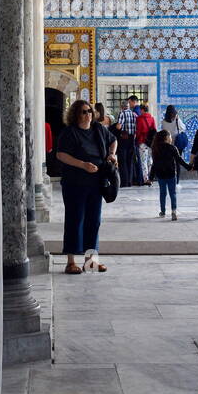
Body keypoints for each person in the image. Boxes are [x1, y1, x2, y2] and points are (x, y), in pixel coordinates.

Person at [54, 100, 117, 273]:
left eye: (89, 111)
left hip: (95, 183)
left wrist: (112, 154)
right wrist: (83, 165)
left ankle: (91, 261)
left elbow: (113, 140)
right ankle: (71, 261)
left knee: (93, 222)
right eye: (83, 111)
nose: (87, 114)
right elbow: (61, 154)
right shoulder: (70, 133)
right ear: (75, 114)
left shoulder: (98, 129)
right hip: (75, 183)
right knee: (75, 220)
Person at [149, 129, 188, 219]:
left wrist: (150, 178)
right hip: (171, 174)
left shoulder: (156, 148)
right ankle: (174, 211)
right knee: (172, 193)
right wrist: (188, 167)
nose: (171, 138)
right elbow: (179, 160)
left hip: (160, 175)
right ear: (166, 138)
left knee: (162, 193)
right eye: (170, 136)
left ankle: (163, 212)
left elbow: (154, 165)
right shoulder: (172, 148)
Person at [116, 98, 142, 187]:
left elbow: (119, 126)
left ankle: (124, 182)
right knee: (130, 161)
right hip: (132, 139)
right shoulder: (133, 114)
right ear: (128, 106)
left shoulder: (122, 113)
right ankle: (130, 182)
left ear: (122, 107)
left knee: (123, 160)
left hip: (124, 138)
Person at [135, 101, 157, 185]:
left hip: (143, 142)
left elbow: (138, 131)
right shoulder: (152, 118)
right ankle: (151, 177)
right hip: (151, 142)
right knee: (150, 160)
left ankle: (146, 179)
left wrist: (137, 140)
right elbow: (154, 130)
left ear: (142, 110)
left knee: (143, 161)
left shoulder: (139, 119)